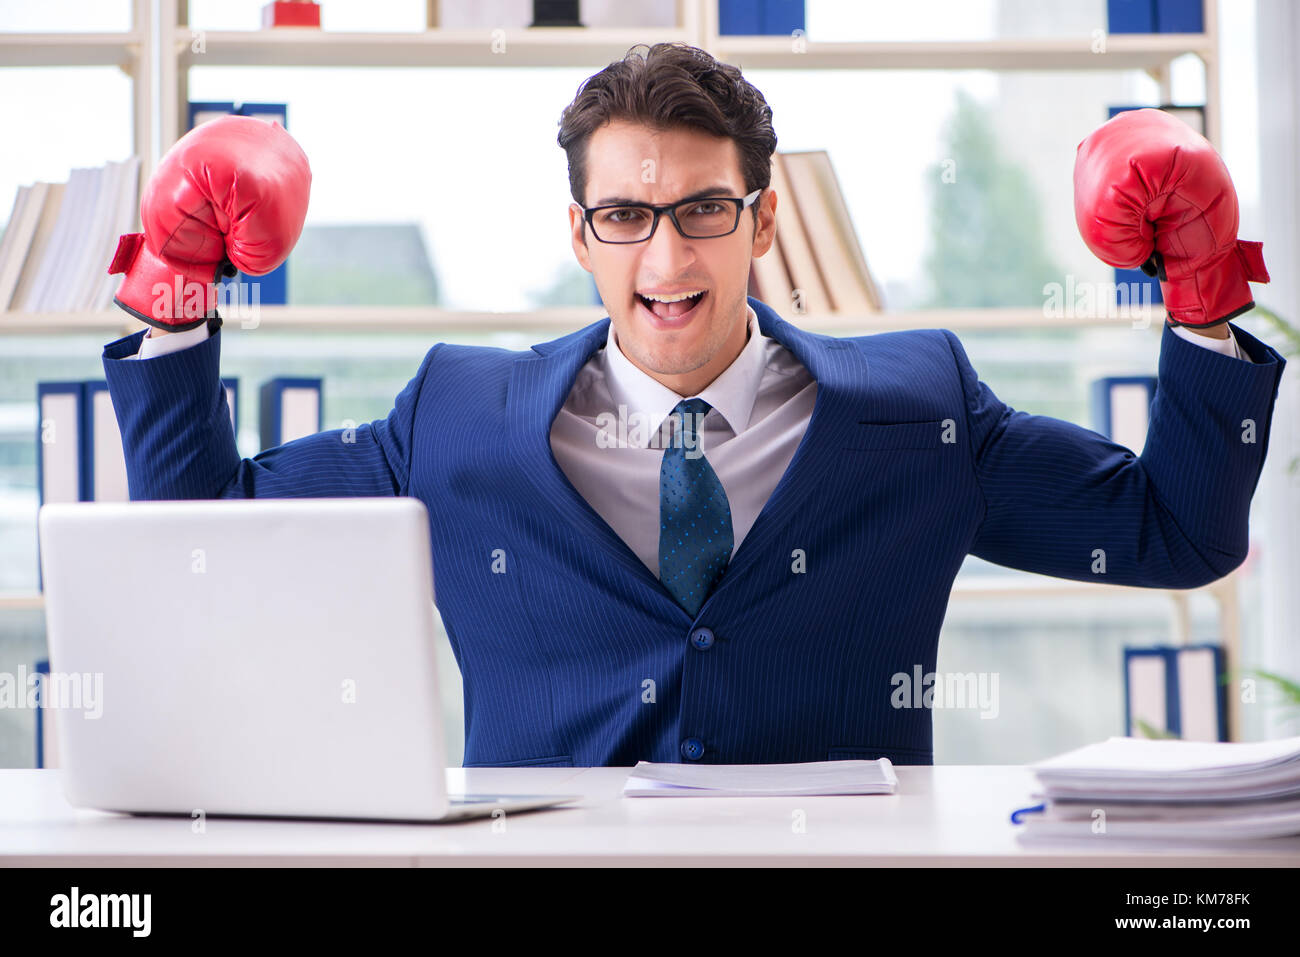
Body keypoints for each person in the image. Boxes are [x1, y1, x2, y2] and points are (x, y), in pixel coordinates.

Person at [100, 43, 1286, 768]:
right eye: (625, 215)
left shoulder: (915, 410)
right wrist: (176, 290)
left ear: (762, 220)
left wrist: (1197, 289)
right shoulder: (455, 414)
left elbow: (1172, 534)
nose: (664, 259)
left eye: (703, 211)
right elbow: (202, 527)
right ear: (579, 233)